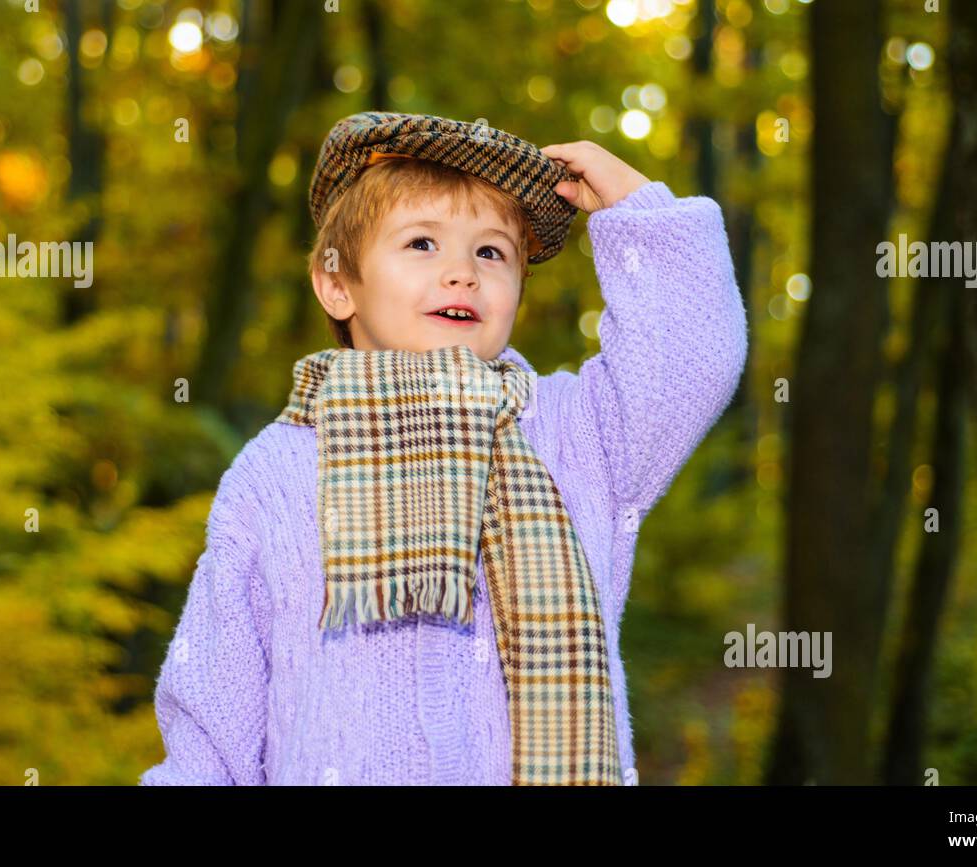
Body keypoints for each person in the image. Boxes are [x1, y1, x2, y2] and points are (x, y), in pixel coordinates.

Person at [139, 111, 748, 785]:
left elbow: (692, 360)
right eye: (423, 243)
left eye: (491, 252)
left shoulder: (576, 433)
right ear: (339, 284)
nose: (461, 271)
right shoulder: (277, 470)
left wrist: (636, 209)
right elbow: (211, 719)